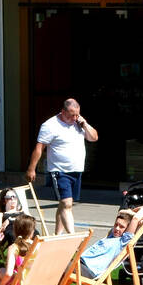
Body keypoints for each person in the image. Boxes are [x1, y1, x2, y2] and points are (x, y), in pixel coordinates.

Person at [26, 98, 98, 234]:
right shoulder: (50, 125)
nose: (74, 118)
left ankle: (57, 235)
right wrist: (31, 168)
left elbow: (94, 138)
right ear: (63, 112)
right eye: (71, 115)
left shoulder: (79, 123)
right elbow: (39, 147)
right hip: (59, 170)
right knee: (67, 204)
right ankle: (73, 236)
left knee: (63, 204)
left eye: (77, 114)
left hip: (76, 170)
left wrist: (85, 124)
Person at [79, 207, 143, 280]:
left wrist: (133, 217)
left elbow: (140, 213)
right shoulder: (111, 236)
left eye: (121, 227)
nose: (117, 228)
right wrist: (129, 212)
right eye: (116, 225)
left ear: (127, 230)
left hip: (88, 270)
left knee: (65, 265)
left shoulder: (123, 241)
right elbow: (121, 212)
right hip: (80, 263)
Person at [0, 214, 36, 285]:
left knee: (0, 272)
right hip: (37, 283)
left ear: (15, 231)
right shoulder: (38, 245)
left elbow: (8, 274)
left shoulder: (14, 247)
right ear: (32, 232)